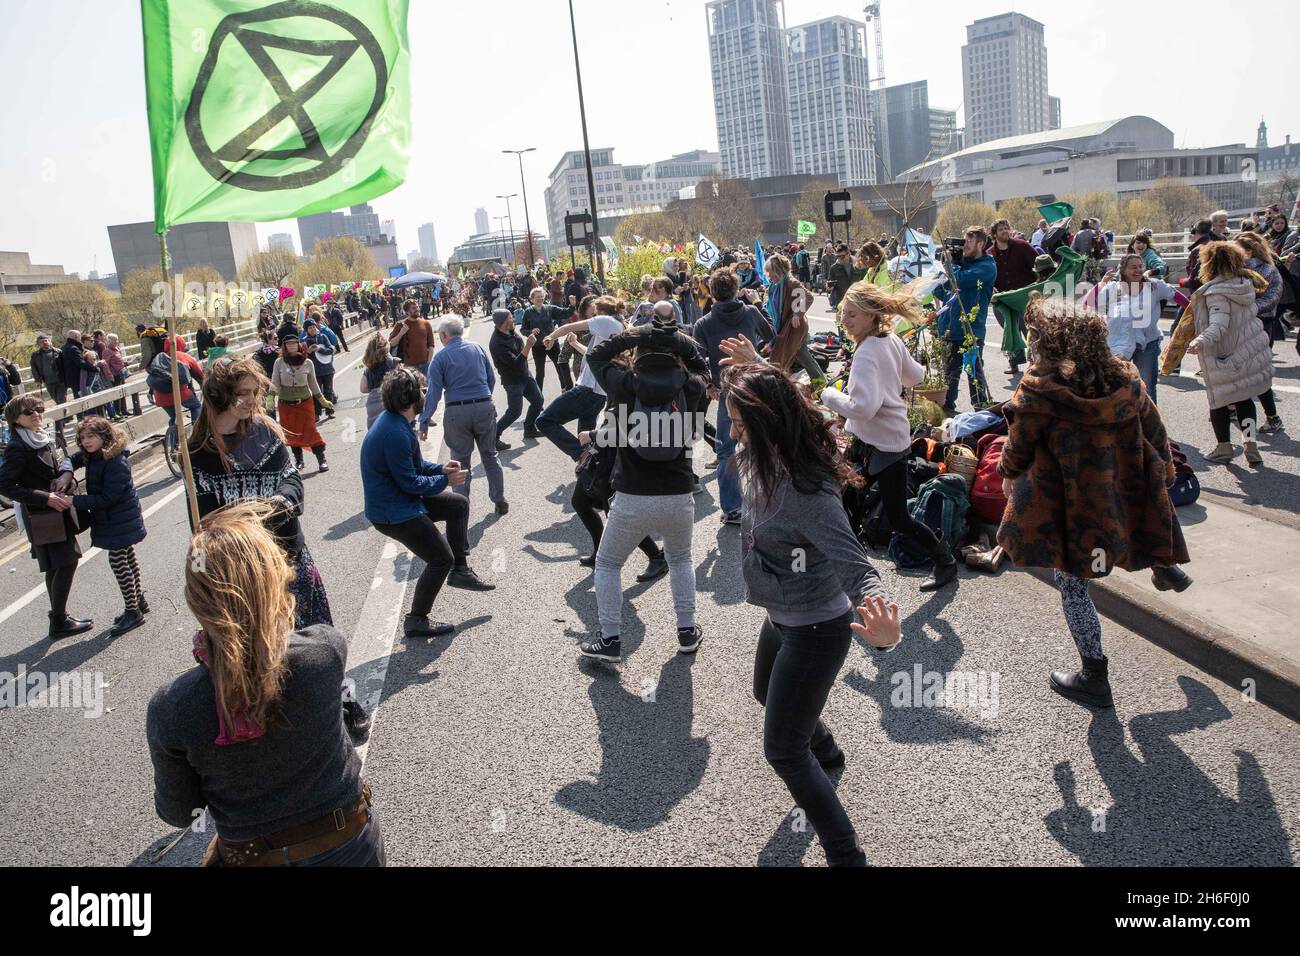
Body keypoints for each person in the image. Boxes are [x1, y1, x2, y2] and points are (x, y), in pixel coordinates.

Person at [717, 360, 901, 867]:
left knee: (781, 749)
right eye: (732, 421)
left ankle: (846, 855)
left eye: (738, 422)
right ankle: (828, 751)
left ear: (767, 423)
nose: (731, 432)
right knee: (762, 691)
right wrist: (755, 365)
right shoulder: (753, 452)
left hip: (817, 627)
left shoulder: (808, 492)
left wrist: (884, 625)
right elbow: (781, 393)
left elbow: (855, 565)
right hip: (780, 614)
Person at [146, 503, 385, 867]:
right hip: (348, 843)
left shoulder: (172, 706)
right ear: (276, 580)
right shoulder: (324, 649)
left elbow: (180, 812)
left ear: (197, 599)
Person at [996, 298, 1190, 709]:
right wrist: (1166, 479)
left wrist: (1008, 476)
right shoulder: (1127, 379)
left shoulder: (1038, 389)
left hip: (1072, 503)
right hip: (1126, 487)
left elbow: (1019, 445)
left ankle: (1093, 675)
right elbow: (1156, 432)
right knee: (1135, 531)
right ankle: (1162, 563)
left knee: (1072, 583)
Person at [576, 312, 709, 663]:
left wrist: (637, 334)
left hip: (632, 493)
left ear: (639, 351)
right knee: (680, 560)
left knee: (607, 564)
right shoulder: (691, 385)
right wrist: (676, 339)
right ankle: (686, 632)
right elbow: (703, 364)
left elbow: (595, 354)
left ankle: (610, 639)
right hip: (679, 492)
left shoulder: (622, 383)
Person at [816, 282, 959, 591]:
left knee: (898, 518)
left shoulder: (869, 350)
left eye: (853, 314)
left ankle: (945, 561)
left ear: (871, 315)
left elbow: (863, 408)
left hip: (885, 445)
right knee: (847, 501)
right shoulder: (888, 339)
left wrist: (829, 394)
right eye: (844, 313)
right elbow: (917, 377)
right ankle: (850, 572)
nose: (845, 320)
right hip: (871, 441)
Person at [363, 367, 494, 639]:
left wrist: (441, 471)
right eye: (422, 390)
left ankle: (461, 570)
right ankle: (417, 620)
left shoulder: (396, 421)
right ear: (409, 396)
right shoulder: (395, 431)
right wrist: (447, 481)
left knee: (458, 505)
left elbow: (416, 465)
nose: (426, 394)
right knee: (439, 558)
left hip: (399, 501)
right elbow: (409, 483)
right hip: (393, 512)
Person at [1, 395, 96, 640]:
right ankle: (59, 620)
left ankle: (59, 617)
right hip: (41, 514)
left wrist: (66, 479)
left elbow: (57, 468)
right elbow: (6, 485)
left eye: (38, 409)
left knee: (58, 563)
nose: (35, 414)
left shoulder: (42, 437)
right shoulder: (17, 447)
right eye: (28, 412)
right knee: (66, 561)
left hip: (56, 509)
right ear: (16, 421)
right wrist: (45, 497)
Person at [50, 416, 147, 636]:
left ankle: (133, 612)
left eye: (91, 436)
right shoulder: (92, 454)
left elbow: (106, 499)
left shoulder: (116, 461)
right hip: (114, 518)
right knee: (127, 555)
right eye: (82, 438)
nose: (86, 442)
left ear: (104, 436)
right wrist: (66, 473)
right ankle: (138, 601)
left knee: (117, 560)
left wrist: (73, 501)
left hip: (119, 517)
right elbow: (71, 459)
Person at [1182, 242, 1275, 466]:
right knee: (1244, 400)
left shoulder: (1216, 292)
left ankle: (1224, 447)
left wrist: (1199, 341)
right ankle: (1251, 446)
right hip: (1247, 353)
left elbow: (1219, 324)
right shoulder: (1244, 284)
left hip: (1224, 354)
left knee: (1219, 402)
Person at [692, 270, 774, 525]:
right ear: (737, 289)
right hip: (755, 382)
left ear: (713, 293)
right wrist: (759, 303)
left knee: (726, 449)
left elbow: (698, 360)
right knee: (766, 441)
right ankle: (770, 501)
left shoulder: (703, 323)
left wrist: (709, 385)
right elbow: (771, 334)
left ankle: (732, 508)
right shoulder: (750, 312)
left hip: (728, 388)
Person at [417, 316, 507, 514]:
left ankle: (461, 505)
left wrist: (423, 421)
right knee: (490, 456)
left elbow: (433, 394)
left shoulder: (440, 358)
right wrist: (484, 399)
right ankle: (499, 499)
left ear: (443, 335)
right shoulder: (477, 348)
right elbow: (491, 379)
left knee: (460, 461)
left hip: (456, 411)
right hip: (483, 405)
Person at [536, 296, 626, 462]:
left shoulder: (605, 321)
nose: (592, 318)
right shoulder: (620, 325)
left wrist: (551, 337)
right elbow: (594, 355)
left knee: (544, 421)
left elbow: (568, 326)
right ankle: (591, 470)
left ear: (601, 311)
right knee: (585, 439)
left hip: (588, 390)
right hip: (598, 394)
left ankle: (580, 454)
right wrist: (576, 344)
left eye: (594, 313)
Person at [1096, 254, 1179, 403]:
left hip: (1147, 342)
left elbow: (1177, 296)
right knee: (1116, 385)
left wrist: (1193, 311)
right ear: (1123, 270)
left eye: (1140, 266)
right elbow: (1091, 303)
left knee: (1147, 386)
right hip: (1120, 342)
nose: (1138, 270)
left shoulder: (1155, 285)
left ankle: (1151, 422)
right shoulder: (1114, 288)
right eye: (1133, 267)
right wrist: (1101, 284)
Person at [935, 226, 997, 415]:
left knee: (973, 372)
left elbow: (959, 280)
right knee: (950, 374)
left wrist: (949, 264)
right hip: (950, 328)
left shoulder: (986, 266)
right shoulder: (959, 265)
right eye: (963, 241)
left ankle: (981, 411)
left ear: (980, 244)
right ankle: (947, 409)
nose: (964, 246)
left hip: (971, 329)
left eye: (968, 242)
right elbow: (943, 290)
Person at [1235, 231, 1285, 435]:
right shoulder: (1235, 270)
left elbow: (1273, 297)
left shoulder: (1268, 270)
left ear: (1248, 251)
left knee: (1256, 373)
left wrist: (1250, 308)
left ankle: (1271, 418)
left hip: (1261, 324)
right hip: (1240, 324)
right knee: (1240, 372)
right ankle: (1234, 410)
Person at [268, 335, 332, 473]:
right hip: (286, 405)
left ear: (299, 345)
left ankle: (322, 460)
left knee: (311, 431)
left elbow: (313, 384)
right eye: (288, 344)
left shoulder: (308, 362)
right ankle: (299, 461)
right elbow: (275, 382)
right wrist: (270, 398)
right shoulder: (279, 362)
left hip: (304, 403)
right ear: (284, 346)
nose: (291, 346)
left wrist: (323, 400)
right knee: (291, 434)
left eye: (294, 343)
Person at [764, 253, 825, 389]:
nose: (769, 276)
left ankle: (820, 382)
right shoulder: (776, 285)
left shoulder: (791, 283)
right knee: (795, 354)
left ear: (779, 271)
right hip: (787, 326)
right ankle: (816, 381)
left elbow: (808, 297)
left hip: (795, 326)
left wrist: (797, 313)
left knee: (797, 354)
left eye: (771, 272)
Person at [489, 308, 543, 449]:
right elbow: (515, 363)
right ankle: (494, 437)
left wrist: (527, 342)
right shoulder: (496, 343)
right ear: (503, 322)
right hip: (513, 381)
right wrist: (529, 345)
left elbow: (520, 352)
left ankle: (529, 429)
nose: (513, 319)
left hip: (525, 375)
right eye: (510, 318)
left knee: (538, 401)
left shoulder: (512, 331)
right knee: (514, 412)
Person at [990, 218, 1039, 374]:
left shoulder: (1021, 246)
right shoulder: (990, 254)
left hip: (1025, 297)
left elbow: (1038, 263)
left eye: (1006, 228)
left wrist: (1038, 282)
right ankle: (1014, 363)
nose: (1005, 231)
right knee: (1010, 331)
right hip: (1003, 300)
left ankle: (1038, 363)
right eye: (1000, 229)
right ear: (994, 234)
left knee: (1030, 330)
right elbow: (988, 277)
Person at [517, 288, 574, 390]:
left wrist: (572, 305)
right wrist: (530, 331)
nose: (540, 299)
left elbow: (565, 313)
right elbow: (522, 329)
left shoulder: (549, 308)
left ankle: (565, 390)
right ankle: (539, 398)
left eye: (541, 296)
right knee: (540, 373)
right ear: (532, 299)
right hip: (538, 345)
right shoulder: (528, 312)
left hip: (552, 342)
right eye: (537, 297)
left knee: (560, 367)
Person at [301, 318, 339, 421]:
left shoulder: (323, 337)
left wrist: (319, 349)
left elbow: (331, 350)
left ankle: (330, 412)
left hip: (327, 369)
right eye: (310, 328)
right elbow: (302, 357)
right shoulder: (304, 341)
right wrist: (307, 352)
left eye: (313, 327)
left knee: (328, 390)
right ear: (306, 330)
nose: (312, 329)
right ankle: (316, 414)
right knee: (316, 393)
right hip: (314, 371)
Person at [360, 333, 401, 429]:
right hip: (390, 405)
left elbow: (363, 388)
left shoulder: (368, 369)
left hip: (372, 409)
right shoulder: (393, 363)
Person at [391, 300, 436, 370]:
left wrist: (429, 362)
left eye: (417, 307)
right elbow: (392, 344)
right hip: (408, 367)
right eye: (413, 308)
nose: (417, 309)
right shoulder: (400, 325)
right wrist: (401, 333)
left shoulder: (426, 323)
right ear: (407, 312)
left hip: (425, 365)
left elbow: (431, 345)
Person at [30, 335, 66, 404]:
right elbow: (34, 368)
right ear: (39, 344)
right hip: (48, 382)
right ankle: (65, 414)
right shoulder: (35, 355)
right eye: (41, 342)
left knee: (62, 400)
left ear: (49, 342)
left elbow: (64, 365)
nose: (44, 342)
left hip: (60, 381)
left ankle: (67, 414)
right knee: (56, 400)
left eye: (46, 341)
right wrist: (37, 380)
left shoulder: (58, 352)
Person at [59, 331, 87, 400]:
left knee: (78, 396)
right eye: (79, 337)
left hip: (70, 377)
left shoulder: (63, 348)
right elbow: (80, 363)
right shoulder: (73, 348)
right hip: (77, 377)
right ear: (76, 337)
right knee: (81, 398)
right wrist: (93, 368)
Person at [827, 244, 855, 310]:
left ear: (849, 254)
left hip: (857, 303)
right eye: (838, 256)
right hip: (841, 304)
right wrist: (829, 287)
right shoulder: (834, 268)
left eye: (842, 256)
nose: (840, 259)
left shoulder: (859, 265)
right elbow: (829, 284)